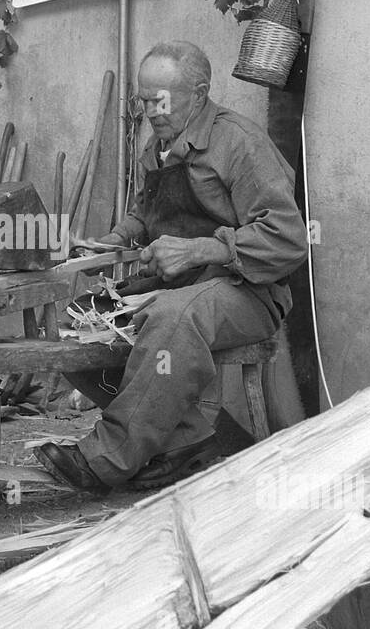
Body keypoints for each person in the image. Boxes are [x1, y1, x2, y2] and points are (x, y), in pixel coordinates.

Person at [34, 41, 308, 491]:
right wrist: (116, 239)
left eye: (161, 100)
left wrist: (201, 250)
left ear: (199, 93)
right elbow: (147, 211)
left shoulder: (239, 143)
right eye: (144, 101)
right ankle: (184, 439)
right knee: (73, 324)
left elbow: (288, 239)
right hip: (178, 284)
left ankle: (106, 459)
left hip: (248, 290)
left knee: (173, 317)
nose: (151, 111)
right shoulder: (158, 145)